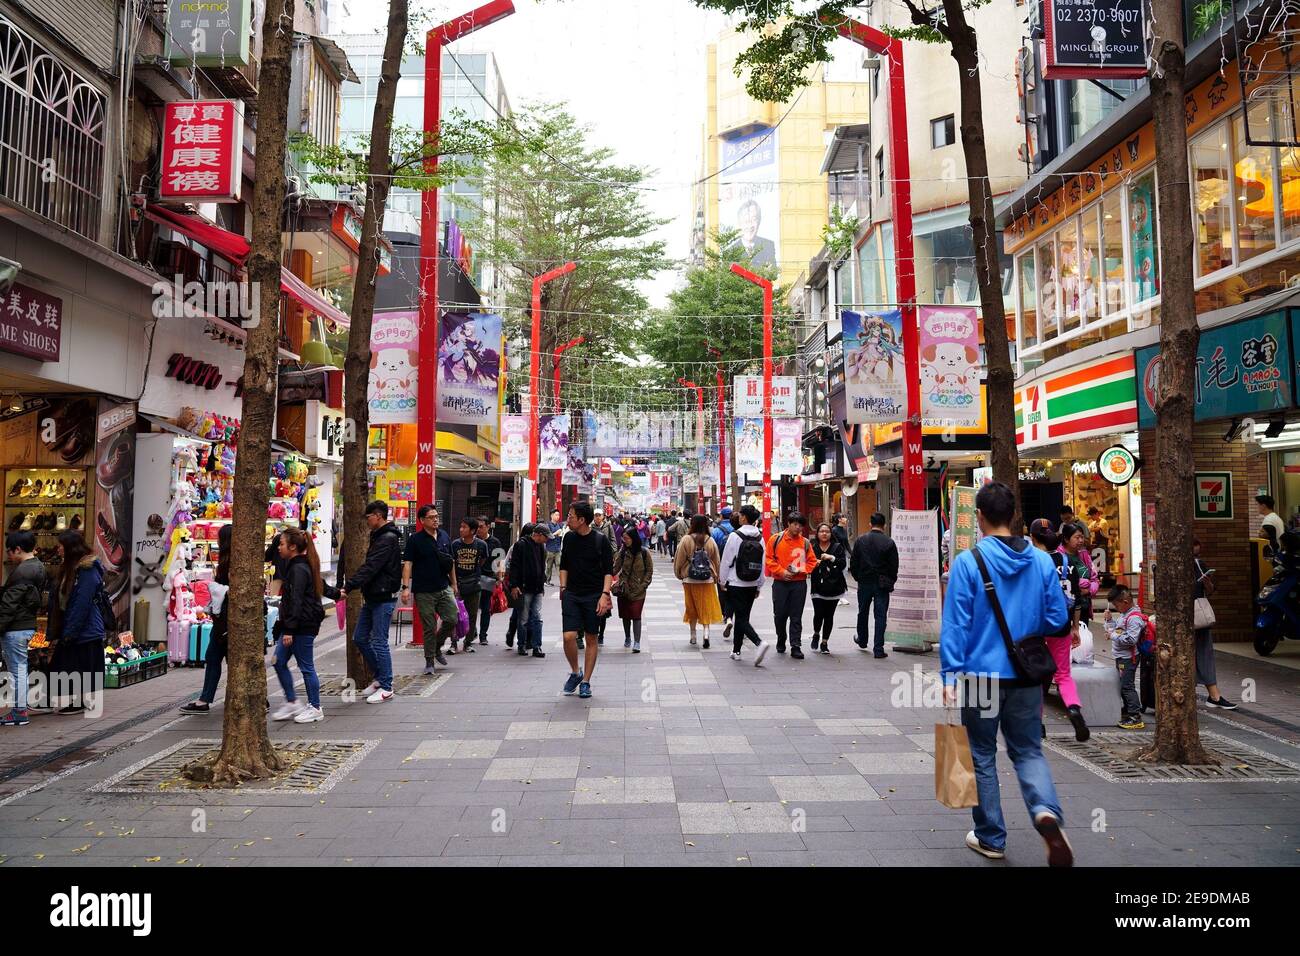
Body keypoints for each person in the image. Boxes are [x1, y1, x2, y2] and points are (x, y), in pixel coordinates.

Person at [940, 482, 1074, 867]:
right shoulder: (1042, 561)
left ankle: (991, 837)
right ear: (1014, 516)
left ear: (978, 516)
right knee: (1028, 750)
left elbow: (956, 625)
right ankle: (1045, 812)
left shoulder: (968, 562)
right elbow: (1056, 619)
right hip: (1027, 675)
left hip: (980, 677)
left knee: (981, 754)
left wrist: (949, 675)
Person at [1029, 519, 1090, 742]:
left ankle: (1038, 724)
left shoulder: (1033, 562)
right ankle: (1073, 709)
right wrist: (1074, 627)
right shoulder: (1067, 562)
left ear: (1033, 538)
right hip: (1061, 624)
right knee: (1063, 675)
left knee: (1036, 676)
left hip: (1037, 627)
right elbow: (1076, 600)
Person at [341, 500, 400, 703]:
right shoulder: (379, 537)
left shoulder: (387, 539)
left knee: (379, 642)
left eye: (369, 517)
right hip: (373, 596)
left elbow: (371, 567)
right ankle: (380, 677)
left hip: (383, 597)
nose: (367, 521)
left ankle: (386, 685)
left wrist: (349, 586)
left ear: (378, 516)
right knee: (359, 638)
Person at [46, 530, 106, 716]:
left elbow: (82, 602)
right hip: (74, 626)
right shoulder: (71, 568)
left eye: (61, 546)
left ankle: (77, 701)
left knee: (74, 666)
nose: (58, 549)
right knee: (67, 665)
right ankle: (56, 700)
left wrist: (71, 630)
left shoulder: (86, 569)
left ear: (71, 548)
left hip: (84, 628)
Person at [271, 529, 328, 723]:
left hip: (301, 626)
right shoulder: (298, 566)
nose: (279, 548)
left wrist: (289, 630)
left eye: (281, 544)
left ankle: (315, 707)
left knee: (306, 667)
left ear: (293, 546)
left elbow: (296, 600)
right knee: (278, 662)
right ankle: (292, 701)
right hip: (295, 625)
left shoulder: (298, 569)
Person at [559, 501, 613, 699]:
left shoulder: (600, 540)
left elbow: (608, 571)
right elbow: (563, 565)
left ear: (582, 520)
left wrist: (604, 595)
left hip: (593, 595)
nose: (568, 519)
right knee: (568, 636)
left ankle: (586, 682)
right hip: (572, 593)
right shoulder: (569, 538)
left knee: (591, 638)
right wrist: (563, 589)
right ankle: (575, 671)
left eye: (571, 516)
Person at [180, 524, 232, 715]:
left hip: (225, 621)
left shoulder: (230, 562)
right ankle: (205, 699)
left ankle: (205, 700)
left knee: (216, 657)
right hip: (223, 620)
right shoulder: (229, 561)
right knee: (215, 657)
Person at [402, 504, 457, 674]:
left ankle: (438, 646)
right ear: (422, 520)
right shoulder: (415, 540)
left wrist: (454, 583)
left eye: (436, 516)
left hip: (443, 586)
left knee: (451, 619)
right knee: (429, 627)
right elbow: (408, 564)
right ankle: (429, 662)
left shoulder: (444, 536)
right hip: (424, 590)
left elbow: (450, 562)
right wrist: (405, 587)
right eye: (432, 517)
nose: (435, 519)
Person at [0, 530, 47, 726]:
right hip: (26, 625)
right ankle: (21, 708)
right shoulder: (38, 567)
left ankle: (19, 711)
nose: (8, 556)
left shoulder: (22, 571)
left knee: (17, 669)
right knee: (20, 668)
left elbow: (9, 605)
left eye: (9, 552)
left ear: (17, 549)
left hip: (15, 627)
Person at [719, 504, 770, 665]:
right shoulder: (760, 537)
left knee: (740, 619)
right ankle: (736, 650)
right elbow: (762, 563)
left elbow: (726, 560)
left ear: (744, 517)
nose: (739, 517)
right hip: (753, 583)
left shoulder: (736, 536)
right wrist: (760, 585)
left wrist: (722, 581)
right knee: (744, 616)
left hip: (736, 582)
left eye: (740, 515)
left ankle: (759, 642)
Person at [766, 512, 817, 659]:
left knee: (796, 616)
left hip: (799, 584)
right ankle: (781, 638)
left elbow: (812, 562)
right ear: (788, 524)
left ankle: (796, 645)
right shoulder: (775, 540)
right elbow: (769, 559)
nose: (797, 527)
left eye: (800, 525)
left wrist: (801, 571)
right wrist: (782, 572)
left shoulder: (805, 542)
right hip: (780, 583)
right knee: (779, 615)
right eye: (795, 524)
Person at [1194, 539, 1236, 709]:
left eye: (1197, 554)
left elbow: (1210, 590)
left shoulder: (1199, 564)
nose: (1196, 558)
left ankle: (1214, 695)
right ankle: (1213, 695)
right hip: (1188, 615)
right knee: (1200, 653)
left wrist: (1206, 582)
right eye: (1194, 554)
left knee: (1203, 652)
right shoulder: (1171, 564)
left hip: (1198, 614)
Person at [849, 512, 897, 659]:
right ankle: (878, 648)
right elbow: (894, 566)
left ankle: (862, 640)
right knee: (880, 616)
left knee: (862, 611)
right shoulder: (889, 542)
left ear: (870, 524)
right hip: (882, 584)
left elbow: (854, 562)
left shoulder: (860, 540)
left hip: (864, 582)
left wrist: (858, 577)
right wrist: (890, 581)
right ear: (885, 525)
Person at [674, 514, 723, 648]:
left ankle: (693, 636)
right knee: (706, 606)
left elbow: (679, 559)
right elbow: (716, 560)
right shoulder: (710, 540)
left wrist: (679, 574)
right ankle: (706, 634)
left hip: (690, 579)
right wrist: (716, 575)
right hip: (706, 579)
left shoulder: (686, 540)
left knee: (692, 608)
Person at [1103, 585, 1147, 730]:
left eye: (1116, 604)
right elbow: (1118, 629)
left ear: (1125, 601)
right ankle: (1128, 710)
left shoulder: (1134, 618)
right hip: (1122, 656)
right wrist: (1109, 622)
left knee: (1127, 686)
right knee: (1123, 685)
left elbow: (1131, 639)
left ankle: (1135, 716)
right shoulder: (1125, 615)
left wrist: (1113, 635)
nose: (1115, 608)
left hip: (1128, 658)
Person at [506, 523, 548, 659]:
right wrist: (514, 585)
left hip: (537, 587)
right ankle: (522, 644)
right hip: (524, 587)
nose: (547, 540)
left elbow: (542, 565)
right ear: (539, 535)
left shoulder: (541, 546)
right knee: (523, 618)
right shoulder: (521, 545)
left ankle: (537, 646)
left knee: (537, 617)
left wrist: (542, 584)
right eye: (546, 537)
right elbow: (514, 566)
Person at [450, 518, 490, 652]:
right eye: (461, 527)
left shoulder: (481, 545)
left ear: (472, 531)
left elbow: (483, 560)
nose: (461, 529)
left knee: (472, 614)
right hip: (458, 583)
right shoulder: (455, 544)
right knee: (455, 614)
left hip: (474, 583)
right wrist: (454, 583)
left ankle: (468, 642)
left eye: (464, 527)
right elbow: (452, 564)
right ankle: (453, 643)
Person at [810, 522, 848, 654]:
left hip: (834, 586)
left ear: (831, 534)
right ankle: (816, 634)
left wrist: (831, 558)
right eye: (821, 531)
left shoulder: (837, 547)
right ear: (817, 533)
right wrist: (815, 563)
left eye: (827, 531)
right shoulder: (813, 547)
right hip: (818, 587)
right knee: (818, 613)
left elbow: (843, 564)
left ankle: (824, 642)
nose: (824, 533)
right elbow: (807, 564)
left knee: (829, 615)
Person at [613, 527, 653, 652]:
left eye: (627, 538)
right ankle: (627, 637)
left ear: (633, 538)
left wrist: (644, 585)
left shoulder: (644, 552)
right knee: (625, 615)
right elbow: (615, 568)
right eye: (623, 538)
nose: (624, 541)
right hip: (624, 588)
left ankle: (637, 642)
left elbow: (649, 571)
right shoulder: (623, 552)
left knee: (636, 615)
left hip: (639, 589)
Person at [475, 516, 505, 646]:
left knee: (486, 608)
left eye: (481, 527)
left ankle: (483, 635)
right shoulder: (472, 541)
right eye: (477, 527)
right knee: (472, 607)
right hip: (474, 578)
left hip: (488, 578)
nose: (478, 530)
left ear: (488, 526)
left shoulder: (495, 542)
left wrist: (499, 578)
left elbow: (499, 561)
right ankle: (472, 632)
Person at [544, 509, 565, 584]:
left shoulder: (560, 525)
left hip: (558, 549)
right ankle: (547, 581)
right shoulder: (548, 525)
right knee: (549, 566)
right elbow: (548, 536)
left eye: (558, 515)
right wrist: (556, 533)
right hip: (549, 549)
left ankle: (562, 582)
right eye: (556, 515)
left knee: (559, 565)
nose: (557, 517)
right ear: (551, 515)